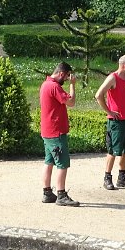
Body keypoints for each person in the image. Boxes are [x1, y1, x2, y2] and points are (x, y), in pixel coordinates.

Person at [95, 54, 125, 190]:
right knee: (113, 151)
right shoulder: (112, 78)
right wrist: (109, 112)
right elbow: (98, 95)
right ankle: (107, 177)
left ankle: (122, 178)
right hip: (116, 122)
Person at [40, 62, 79, 207]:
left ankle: (47, 192)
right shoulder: (54, 87)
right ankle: (61, 195)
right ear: (62, 73)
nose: (68, 78)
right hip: (56, 132)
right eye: (68, 76)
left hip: (47, 131)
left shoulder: (45, 84)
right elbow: (71, 102)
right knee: (62, 164)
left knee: (49, 162)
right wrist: (72, 85)